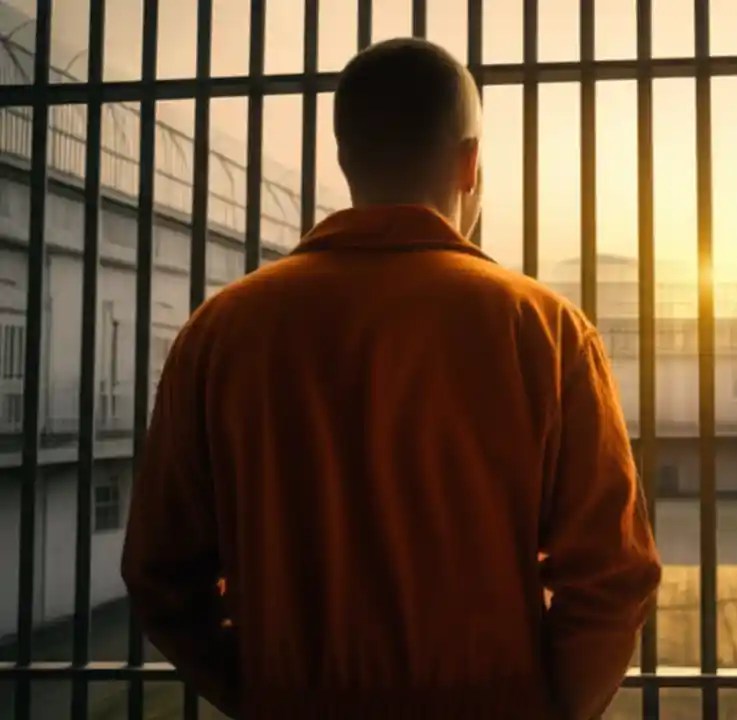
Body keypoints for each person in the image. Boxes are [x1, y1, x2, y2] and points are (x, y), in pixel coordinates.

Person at [122, 38, 661, 720]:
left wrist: (261, 691)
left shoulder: (220, 332)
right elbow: (614, 575)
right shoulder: (543, 329)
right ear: (469, 163)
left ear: (345, 158)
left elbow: (161, 574)